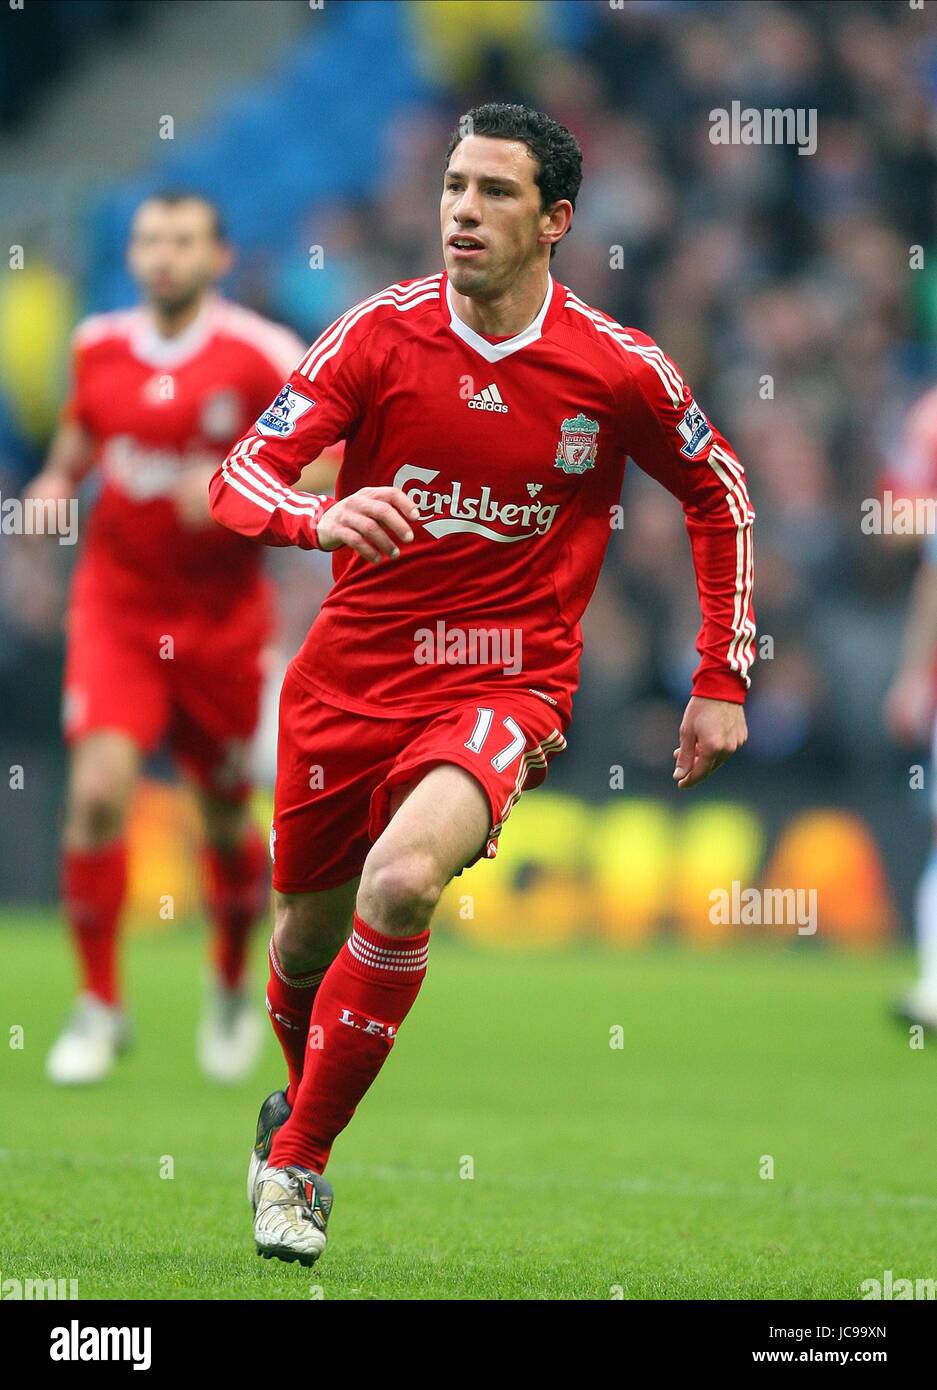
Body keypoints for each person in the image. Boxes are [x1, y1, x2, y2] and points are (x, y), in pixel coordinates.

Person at [208, 104, 756, 1266]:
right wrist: (317, 515)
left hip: (507, 683)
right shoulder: (377, 334)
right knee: (304, 940)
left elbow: (720, 494)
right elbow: (238, 477)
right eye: (455, 185)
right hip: (347, 682)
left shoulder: (616, 367)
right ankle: (295, 1111)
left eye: (495, 191)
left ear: (554, 219)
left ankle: (297, 1167)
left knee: (402, 883)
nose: (463, 208)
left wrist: (720, 673)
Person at [26, 191, 307, 1085]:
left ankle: (228, 982)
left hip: (222, 625)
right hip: (118, 610)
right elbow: (82, 434)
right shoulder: (98, 344)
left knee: (225, 819)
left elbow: (328, 465)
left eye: (182, 241)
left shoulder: (265, 357)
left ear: (218, 257)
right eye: (149, 240)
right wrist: (54, 480)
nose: (162, 257)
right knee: (101, 789)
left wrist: (236, 491)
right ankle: (99, 1006)